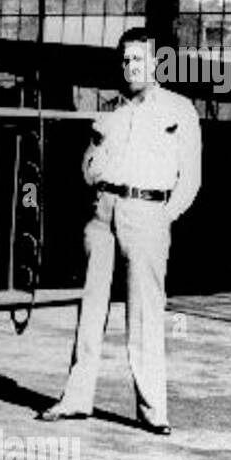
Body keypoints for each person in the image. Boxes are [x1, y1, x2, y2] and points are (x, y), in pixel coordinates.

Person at [39, 27, 202, 435]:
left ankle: (153, 412)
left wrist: (165, 217)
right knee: (91, 308)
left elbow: (191, 178)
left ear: (159, 63)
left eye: (139, 59)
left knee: (145, 313)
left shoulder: (180, 110)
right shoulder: (111, 108)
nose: (130, 66)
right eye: (126, 60)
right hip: (102, 213)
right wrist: (96, 169)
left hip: (147, 213)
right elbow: (86, 165)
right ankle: (76, 399)